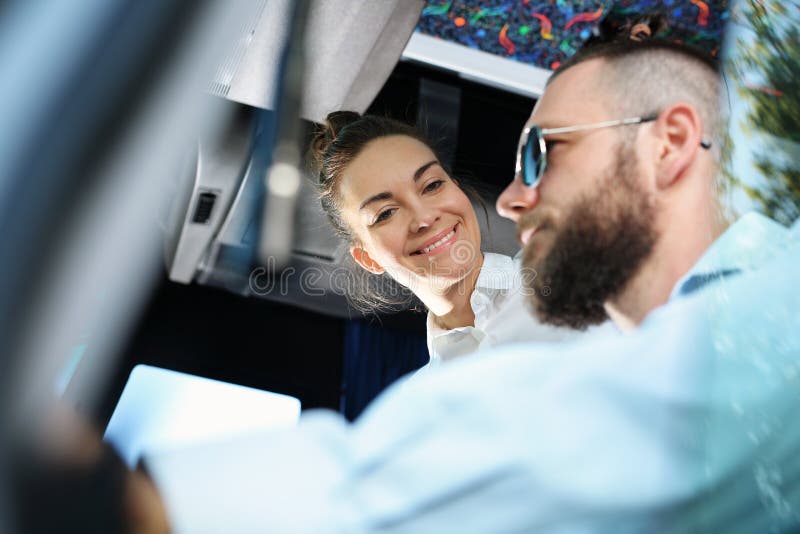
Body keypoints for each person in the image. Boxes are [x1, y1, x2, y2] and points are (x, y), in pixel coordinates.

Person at [132, 39, 800, 532]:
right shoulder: (442, 392)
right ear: (366, 258)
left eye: (542, 154)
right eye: (385, 212)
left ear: (671, 142)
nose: (509, 201)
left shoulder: (753, 320)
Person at [308, 111, 590, 366]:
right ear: (368, 258)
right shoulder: (430, 398)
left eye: (432, 185)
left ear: (456, 188)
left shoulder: (578, 270)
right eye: (386, 213)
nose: (424, 218)